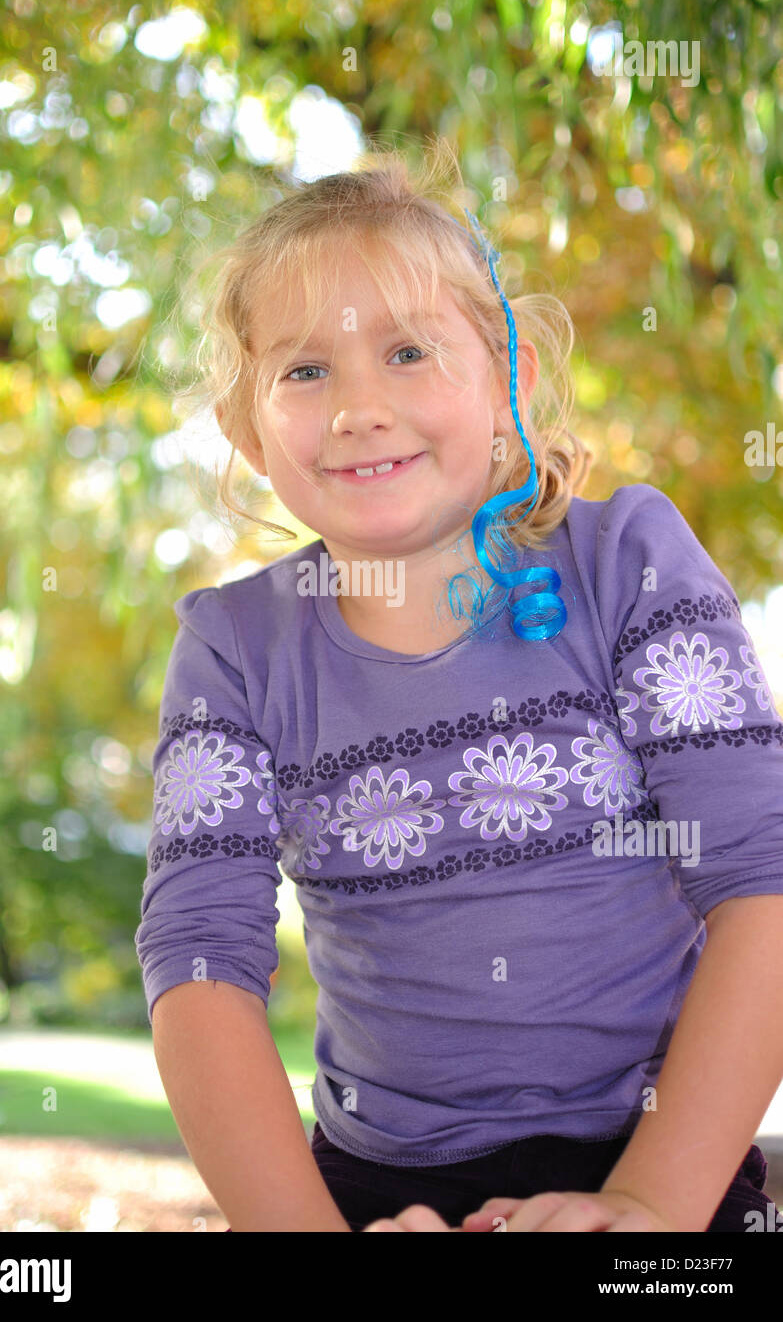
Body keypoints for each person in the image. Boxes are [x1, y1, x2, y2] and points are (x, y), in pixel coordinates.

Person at [135, 138, 783, 1234]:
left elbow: (760, 880)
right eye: (303, 370)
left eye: (404, 352)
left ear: (507, 378)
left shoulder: (626, 564)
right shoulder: (234, 647)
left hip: (657, 1152)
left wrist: (646, 1204)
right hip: (370, 1181)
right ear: (246, 431)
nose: (355, 406)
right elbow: (200, 958)